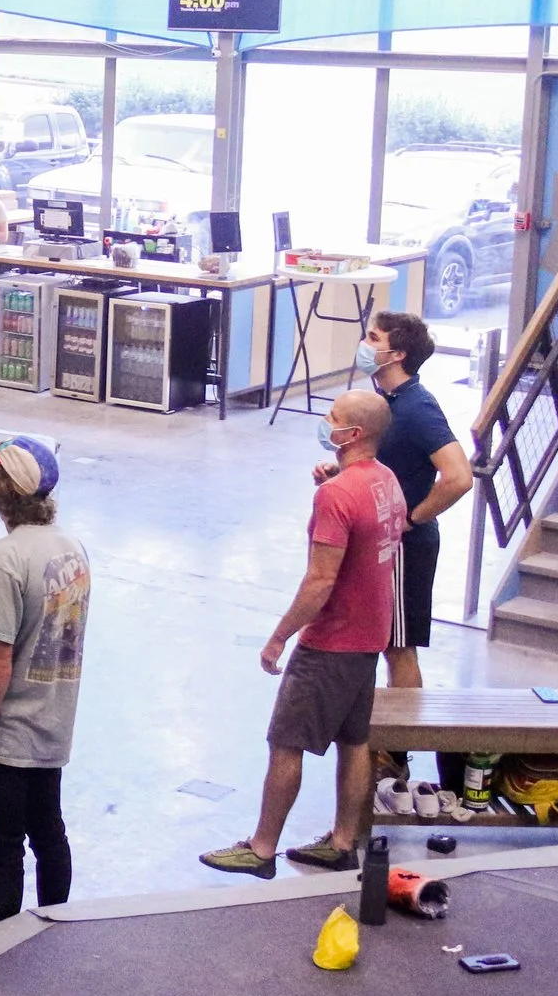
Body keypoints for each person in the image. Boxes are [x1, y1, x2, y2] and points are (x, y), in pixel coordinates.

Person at [200, 389, 405, 879]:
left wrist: (278, 637)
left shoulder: (335, 496)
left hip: (330, 641)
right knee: (354, 741)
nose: (324, 420)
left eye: (333, 417)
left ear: (352, 434)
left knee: (286, 741)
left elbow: (320, 580)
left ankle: (262, 847)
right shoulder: (386, 481)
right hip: (370, 636)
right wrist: (338, 479)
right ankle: (342, 841)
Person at [316, 314, 472, 758]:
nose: (364, 344)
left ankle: (396, 754)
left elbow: (458, 476)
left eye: (373, 338)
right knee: (379, 641)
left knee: (398, 648)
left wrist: (412, 519)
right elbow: (385, 466)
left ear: (397, 354)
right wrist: (337, 472)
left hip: (405, 550)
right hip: (376, 546)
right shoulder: (384, 403)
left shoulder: (418, 407)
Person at [0, 435, 90, 926]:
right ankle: (56, 927)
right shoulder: (72, 548)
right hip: (54, 719)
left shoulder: (5, 558)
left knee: (6, 845)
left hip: (10, 729)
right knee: (49, 832)